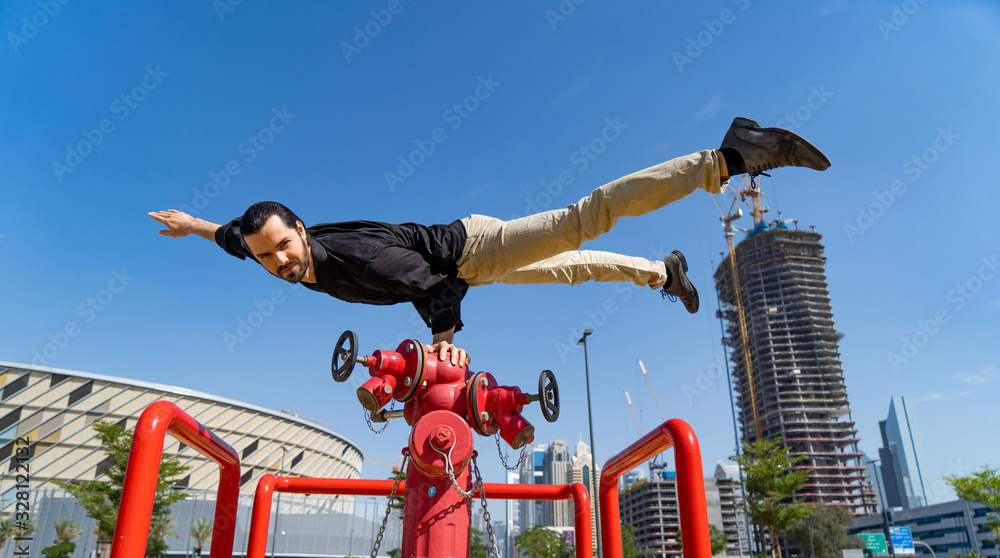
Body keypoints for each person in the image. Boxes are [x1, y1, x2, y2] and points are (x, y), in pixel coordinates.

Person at [151, 117, 829, 367]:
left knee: (582, 219)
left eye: (283, 247)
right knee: (573, 269)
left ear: (301, 229)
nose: (280, 262)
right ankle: (661, 273)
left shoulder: (347, 255)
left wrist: (444, 341)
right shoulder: (267, 249)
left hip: (466, 254)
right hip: (467, 264)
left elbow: (428, 285)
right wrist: (198, 226)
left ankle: (729, 158)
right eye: (269, 256)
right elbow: (236, 240)